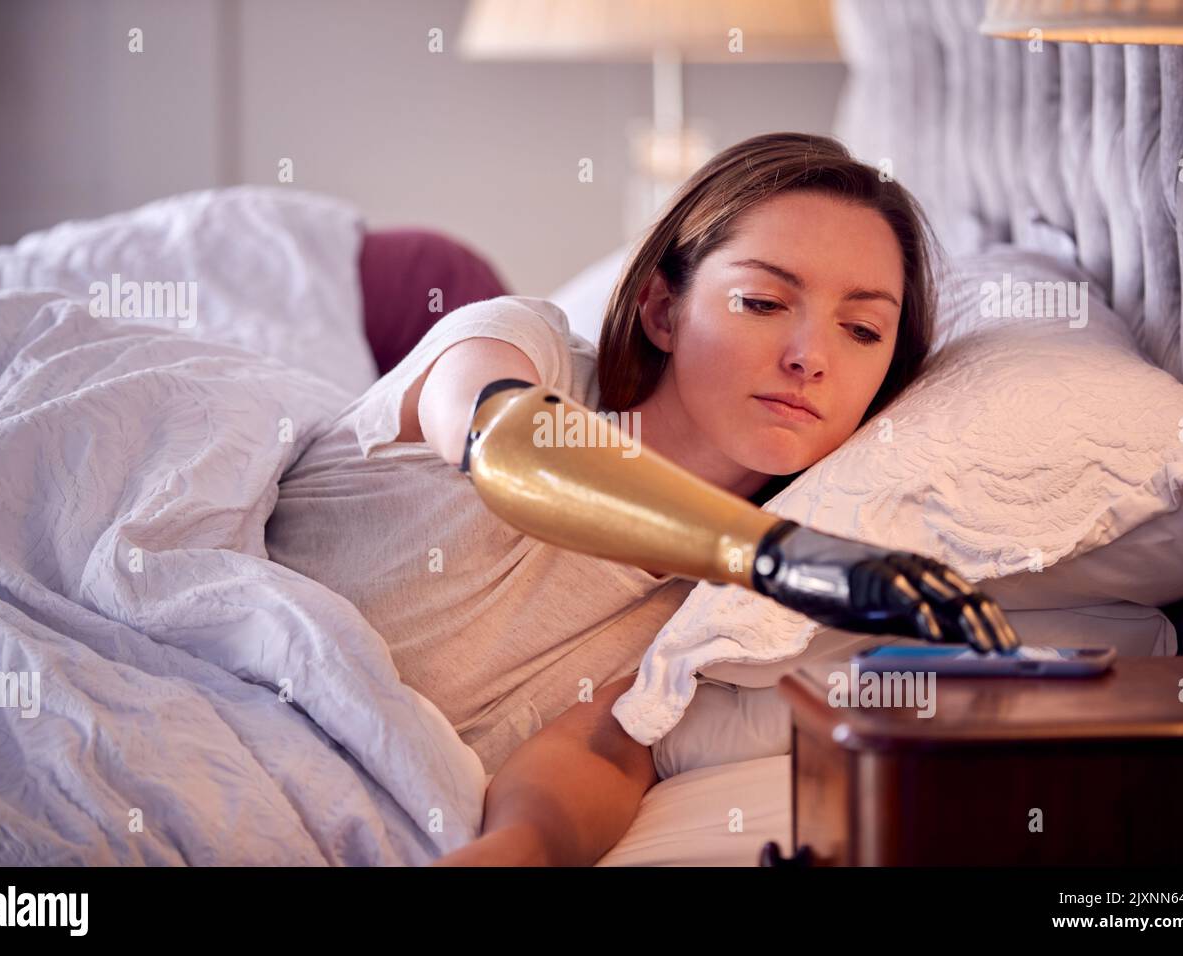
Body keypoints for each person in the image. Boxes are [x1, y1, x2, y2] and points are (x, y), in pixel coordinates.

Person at [264, 131, 939, 863]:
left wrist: (519, 849)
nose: (810, 357)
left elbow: (597, 748)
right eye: (763, 300)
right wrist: (771, 554)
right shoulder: (523, 349)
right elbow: (505, 445)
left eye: (862, 329)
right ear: (660, 310)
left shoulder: (730, 615)